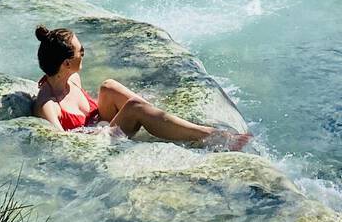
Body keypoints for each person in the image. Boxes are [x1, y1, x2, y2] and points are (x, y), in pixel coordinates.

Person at [31, 26, 249, 148]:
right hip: (97, 141)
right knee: (135, 107)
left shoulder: (71, 79)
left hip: (101, 125)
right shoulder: (48, 105)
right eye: (81, 51)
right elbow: (59, 145)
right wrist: (95, 134)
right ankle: (210, 135)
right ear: (66, 63)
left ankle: (164, 121)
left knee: (108, 86)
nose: (84, 53)